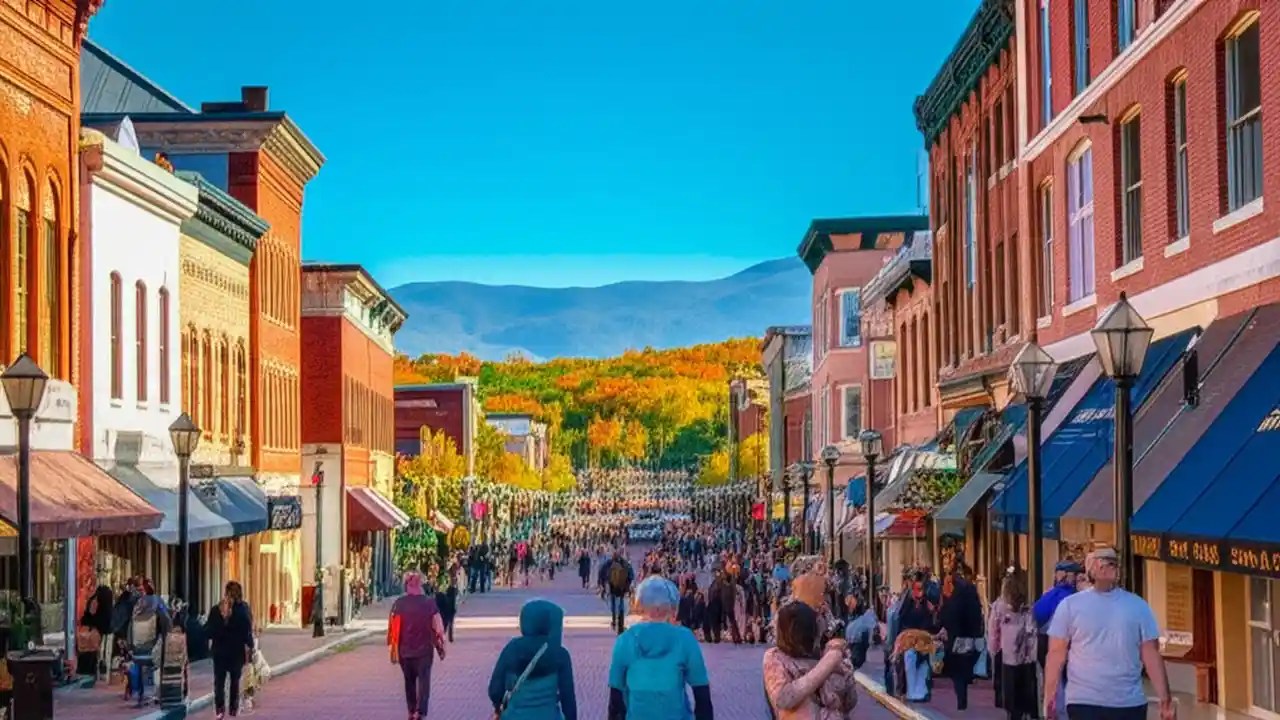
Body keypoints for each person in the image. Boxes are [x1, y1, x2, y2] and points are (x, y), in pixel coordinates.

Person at [1044, 548, 1173, 720]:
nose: (1107, 569)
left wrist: (1049, 698)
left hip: (1098, 702)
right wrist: (1165, 699)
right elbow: (1150, 653)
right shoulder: (1138, 606)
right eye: (1104, 564)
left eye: (1110, 564)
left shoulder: (1070, 606)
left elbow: (1056, 654)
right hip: (1113, 703)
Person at [608, 576, 712, 720]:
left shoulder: (625, 640)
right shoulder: (685, 639)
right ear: (672, 607)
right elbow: (701, 693)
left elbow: (615, 698)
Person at [763, 600, 857, 719]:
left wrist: (846, 672)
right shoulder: (775, 657)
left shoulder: (826, 652)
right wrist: (828, 664)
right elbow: (783, 699)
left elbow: (850, 702)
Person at [488, 599, 577, 719]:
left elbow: (495, 689)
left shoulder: (512, 649)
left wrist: (499, 706)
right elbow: (568, 698)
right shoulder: (559, 654)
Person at [389, 572, 447, 720]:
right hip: (424, 651)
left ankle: (411, 709)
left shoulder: (398, 604)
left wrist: (393, 648)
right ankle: (420, 711)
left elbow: (393, 629)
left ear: (407, 585)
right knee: (424, 680)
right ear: (420, 585)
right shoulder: (429, 603)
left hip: (405, 651)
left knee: (409, 681)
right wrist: (441, 645)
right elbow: (438, 627)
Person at [988, 573, 1038, 720]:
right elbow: (1032, 630)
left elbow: (993, 631)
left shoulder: (999, 607)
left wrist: (994, 650)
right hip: (1025, 656)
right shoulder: (1027, 607)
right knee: (1024, 688)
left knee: (1010, 690)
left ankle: (1013, 713)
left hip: (1007, 654)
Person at [203, 581, 253, 719]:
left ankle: (220, 710)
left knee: (219, 681)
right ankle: (233, 709)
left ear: (226, 593)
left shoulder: (216, 610)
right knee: (234, 682)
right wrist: (251, 646)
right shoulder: (243, 610)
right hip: (236, 652)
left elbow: (208, 631)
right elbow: (247, 631)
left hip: (220, 652)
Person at [938, 564, 984, 711]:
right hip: (970, 635)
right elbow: (977, 613)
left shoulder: (955, 596)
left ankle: (961, 698)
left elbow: (949, 615)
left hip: (957, 637)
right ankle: (966, 681)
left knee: (957, 670)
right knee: (966, 663)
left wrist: (946, 627)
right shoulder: (971, 592)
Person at [606, 550, 634, 634]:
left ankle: (614, 620)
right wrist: (628, 586)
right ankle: (620, 626)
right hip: (622, 589)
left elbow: (604, 574)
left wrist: (605, 585)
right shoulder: (626, 564)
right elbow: (631, 575)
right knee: (621, 607)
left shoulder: (609, 563)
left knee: (614, 605)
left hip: (613, 589)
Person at [436, 578, 459, 643]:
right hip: (444, 590)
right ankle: (447, 634)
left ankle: (444, 633)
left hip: (443, 590)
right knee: (448, 616)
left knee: (444, 616)